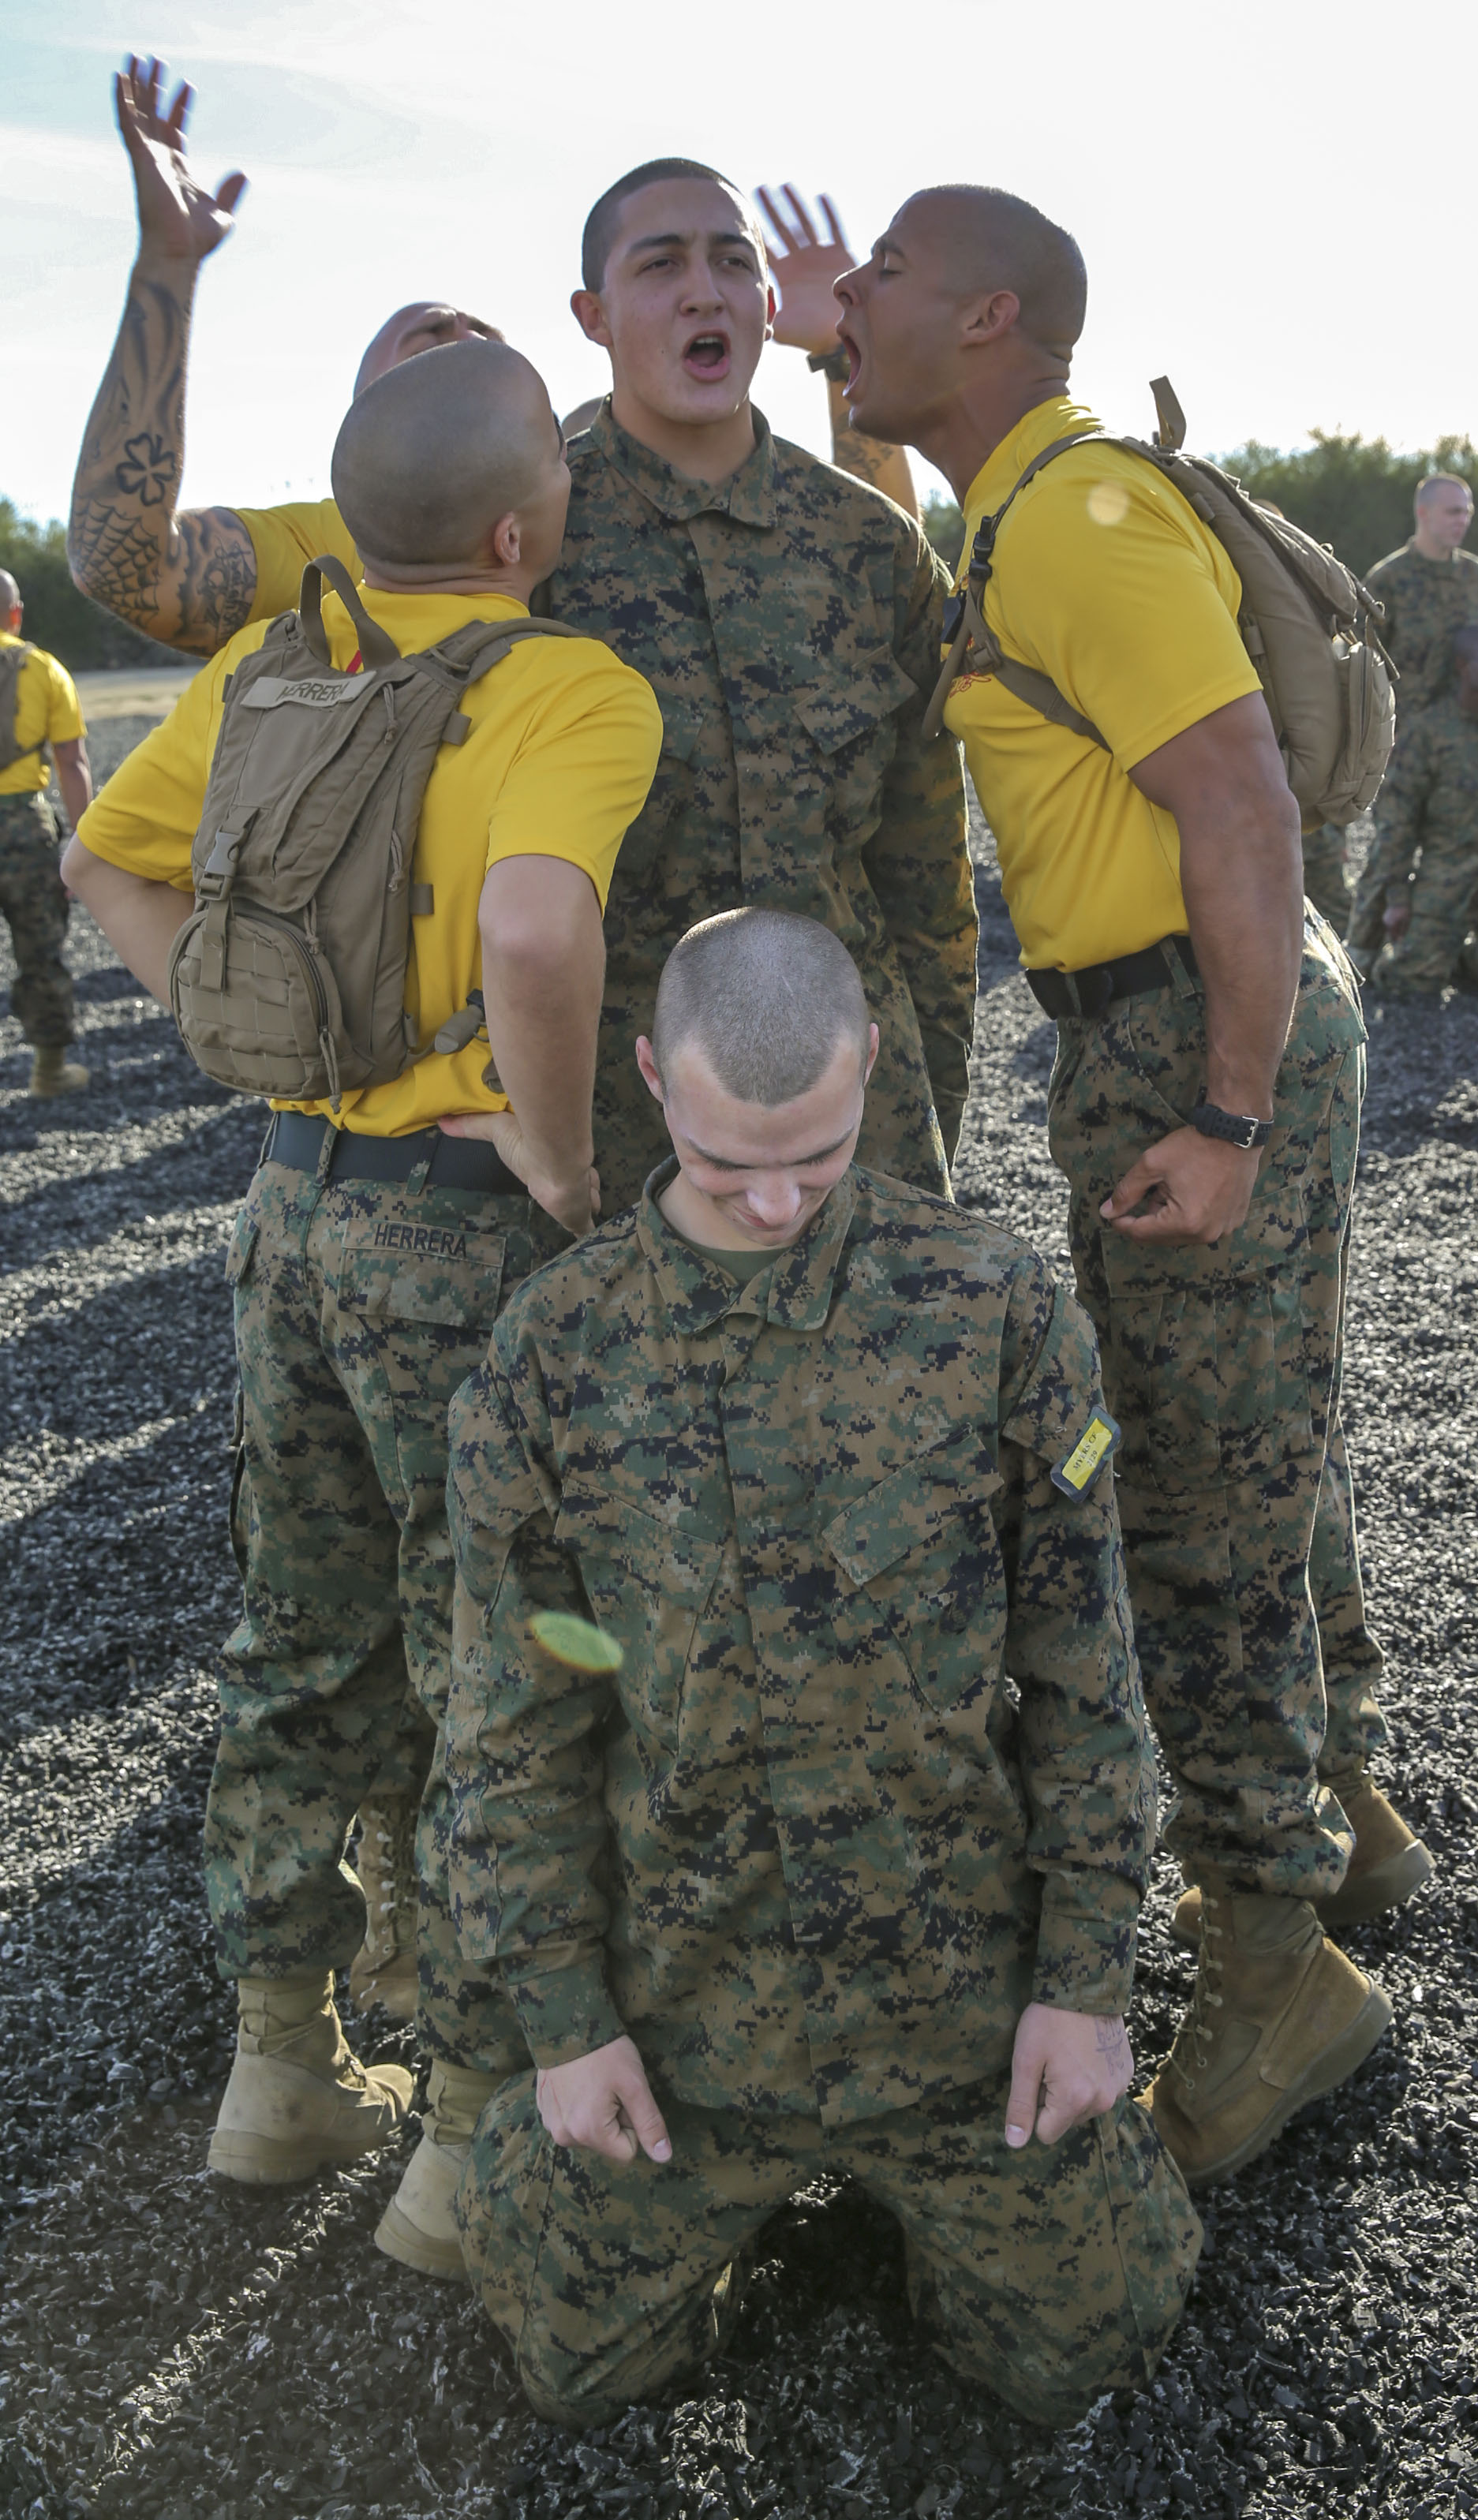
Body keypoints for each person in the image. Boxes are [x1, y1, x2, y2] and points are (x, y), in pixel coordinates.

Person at [443, 906, 1200, 2428]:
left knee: (1094, 2344)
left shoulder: (989, 1310)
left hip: (959, 2004)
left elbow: (1083, 1672)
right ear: (652, 1076)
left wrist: (1082, 1982)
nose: (779, 1198)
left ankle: (933, 2217)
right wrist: (566, 2024)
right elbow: (506, 1728)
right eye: (728, 1165)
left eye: (821, 1151)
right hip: (681, 2008)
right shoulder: (551, 1351)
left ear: (868, 1062)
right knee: (573, 2369)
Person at [62, 343, 663, 2260]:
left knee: (300, 1640)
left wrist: (249, 1050)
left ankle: (279, 2061)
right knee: (502, 1656)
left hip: (289, 1215)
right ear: (518, 529)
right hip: (457, 1239)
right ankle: (471, 2123)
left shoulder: (267, 663)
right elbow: (536, 925)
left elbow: (102, 859)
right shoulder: (568, 679)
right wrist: (562, 1164)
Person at [831, 184, 1401, 2189]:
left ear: (988, 315)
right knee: (1270, 1449)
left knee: (1192, 1509)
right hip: (1178, 1020)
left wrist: (1228, 1110)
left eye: (882, 273)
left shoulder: (1073, 518)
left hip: (1192, 1033)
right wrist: (844, 377)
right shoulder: (1009, 506)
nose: (848, 294)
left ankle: (1274, 1967)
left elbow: (1234, 790)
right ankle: (1347, 1805)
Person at [68, 72, 977, 1214]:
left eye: (732, 261)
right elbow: (125, 565)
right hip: (590, 1154)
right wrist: (166, 272)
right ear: (590, 317)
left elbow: (924, 864)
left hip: (849, 1122)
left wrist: (935, 1100)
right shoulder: (486, 534)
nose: (706, 291)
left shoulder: (866, 541)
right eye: (660, 265)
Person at [66, 55, 503, 656]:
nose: (468, 340)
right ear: (360, 413)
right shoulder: (317, 550)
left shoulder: (595, 494)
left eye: (489, 341)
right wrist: (168, 265)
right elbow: (124, 568)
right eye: (430, 335)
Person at [1348, 473, 1478, 965]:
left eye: (1466, 511)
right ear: (1423, 513)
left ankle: (1451, 943)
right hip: (1404, 739)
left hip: (1463, 741)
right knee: (1391, 847)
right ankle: (1360, 954)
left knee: (1460, 840)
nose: (1462, 520)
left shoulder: (1473, 576)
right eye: (1452, 511)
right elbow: (1363, 665)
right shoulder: (1389, 580)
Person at [0, 571, 92, 1097]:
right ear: (16, 613)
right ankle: (49, 1072)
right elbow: (70, 762)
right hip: (24, 830)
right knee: (40, 951)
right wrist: (85, 847)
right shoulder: (44, 669)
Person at [1352, 623, 1478, 996]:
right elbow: (1396, 826)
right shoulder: (1429, 733)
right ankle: (1437, 954)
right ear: (1462, 667)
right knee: (1412, 980)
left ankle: (1463, 958)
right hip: (1447, 874)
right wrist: (1398, 901)